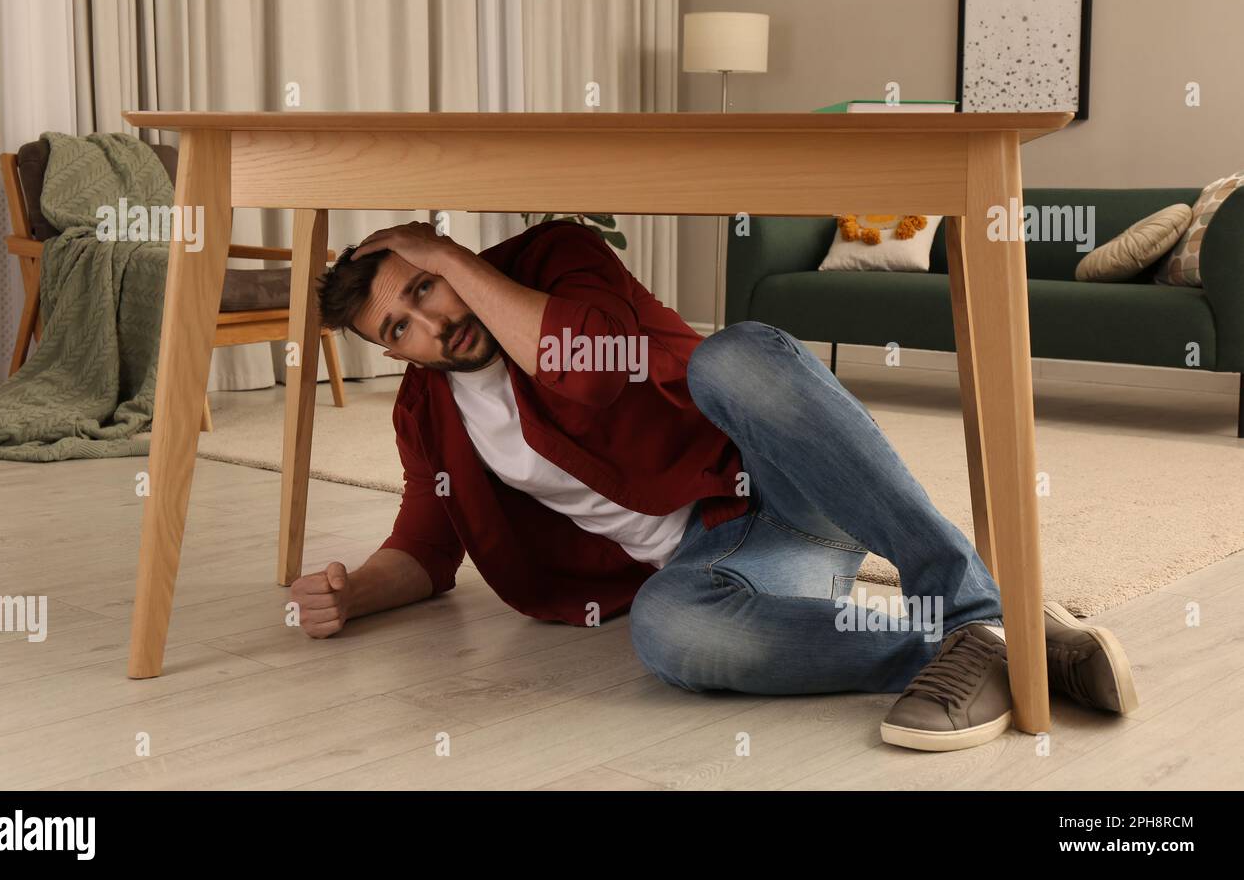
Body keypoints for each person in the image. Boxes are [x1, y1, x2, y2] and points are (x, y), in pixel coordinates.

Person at [297, 218, 1138, 752]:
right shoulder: (425, 410)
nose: (435, 324)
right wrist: (350, 592)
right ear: (394, 352)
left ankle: (968, 605)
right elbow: (429, 542)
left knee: (733, 356)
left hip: (784, 478)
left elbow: (583, 370)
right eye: (399, 328)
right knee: (669, 633)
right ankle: (1000, 652)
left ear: (450, 257)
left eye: (424, 287)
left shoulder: (557, 256)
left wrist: (442, 250)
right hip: (730, 560)